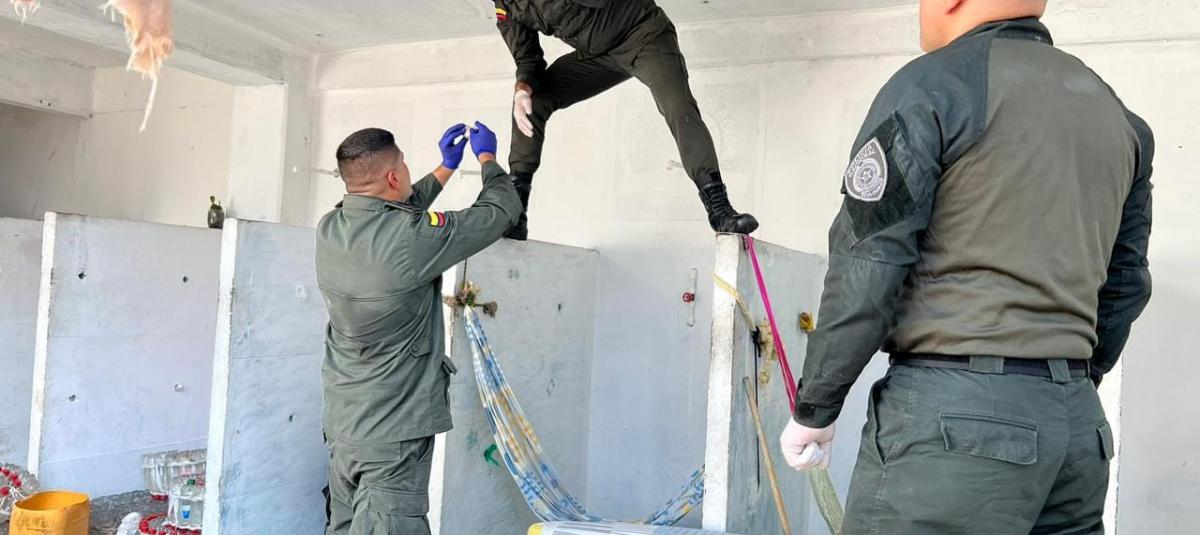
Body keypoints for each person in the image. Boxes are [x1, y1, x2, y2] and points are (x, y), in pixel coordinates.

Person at [778, 1, 1153, 533]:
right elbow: (1124, 284)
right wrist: (1065, 383)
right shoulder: (1120, 117)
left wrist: (815, 405)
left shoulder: (933, 87)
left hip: (955, 432)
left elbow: (870, 260)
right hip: (1077, 432)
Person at [317, 122, 522, 534]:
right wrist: (488, 161)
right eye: (405, 167)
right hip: (392, 435)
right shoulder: (411, 241)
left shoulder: (331, 227)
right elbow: (500, 212)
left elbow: (392, 217)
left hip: (346, 428)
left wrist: (445, 168)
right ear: (394, 176)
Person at [493, 0, 758, 239]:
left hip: (643, 36)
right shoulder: (506, 5)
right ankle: (516, 213)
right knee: (532, 101)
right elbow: (528, 58)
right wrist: (522, 89)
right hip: (598, 56)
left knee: (679, 109)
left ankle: (719, 209)